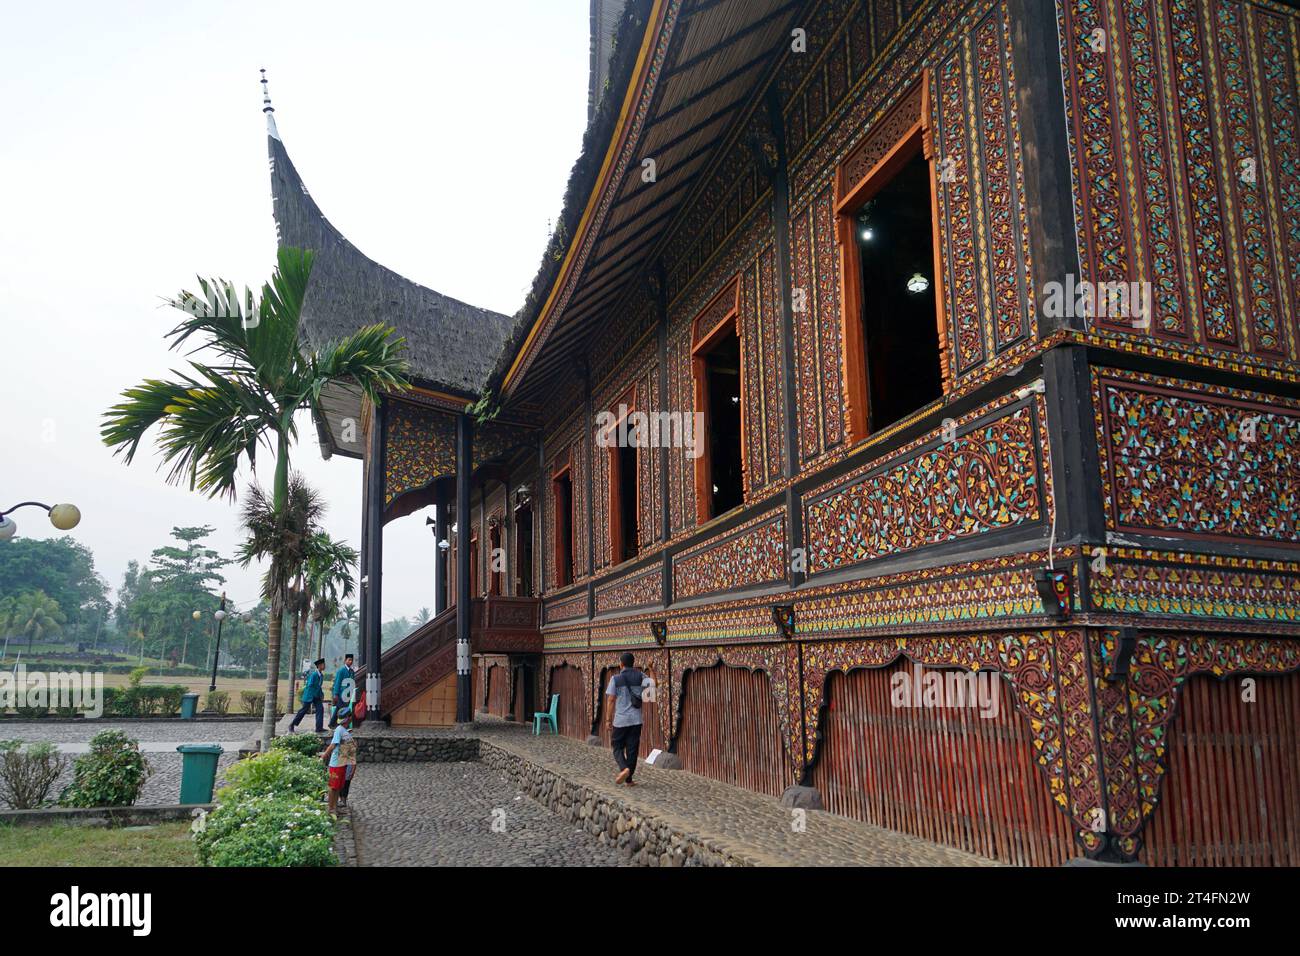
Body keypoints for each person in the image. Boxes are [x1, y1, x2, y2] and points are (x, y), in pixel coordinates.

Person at [603, 651, 645, 786]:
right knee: (632, 749)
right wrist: (652, 670)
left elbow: (610, 700)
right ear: (633, 663)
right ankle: (629, 779)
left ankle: (624, 769)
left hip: (620, 720)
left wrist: (608, 720)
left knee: (617, 747)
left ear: (621, 664)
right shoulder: (641, 676)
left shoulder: (615, 679)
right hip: (636, 720)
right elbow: (654, 685)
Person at [322, 705, 357, 814]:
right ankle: (331, 808)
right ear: (348, 718)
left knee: (338, 787)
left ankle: (335, 807)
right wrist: (324, 755)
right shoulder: (339, 730)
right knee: (333, 787)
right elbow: (333, 745)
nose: (351, 718)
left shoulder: (345, 731)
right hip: (336, 764)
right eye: (350, 716)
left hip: (342, 764)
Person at [289, 658, 326, 733]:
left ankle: (319, 728)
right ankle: (292, 725)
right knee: (303, 711)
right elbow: (309, 685)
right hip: (309, 695)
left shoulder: (321, 675)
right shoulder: (314, 675)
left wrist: (321, 694)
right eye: (323, 665)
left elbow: (319, 686)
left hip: (316, 696)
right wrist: (314, 693)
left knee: (320, 709)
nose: (324, 666)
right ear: (319, 666)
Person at [329, 654, 355, 729]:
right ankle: (338, 724)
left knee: (339, 709)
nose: (350, 661)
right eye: (349, 660)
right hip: (341, 694)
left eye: (351, 660)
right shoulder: (341, 671)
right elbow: (337, 682)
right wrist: (336, 694)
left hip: (348, 694)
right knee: (342, 709)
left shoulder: (352, 671)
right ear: (345, 661)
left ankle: (333, 724)